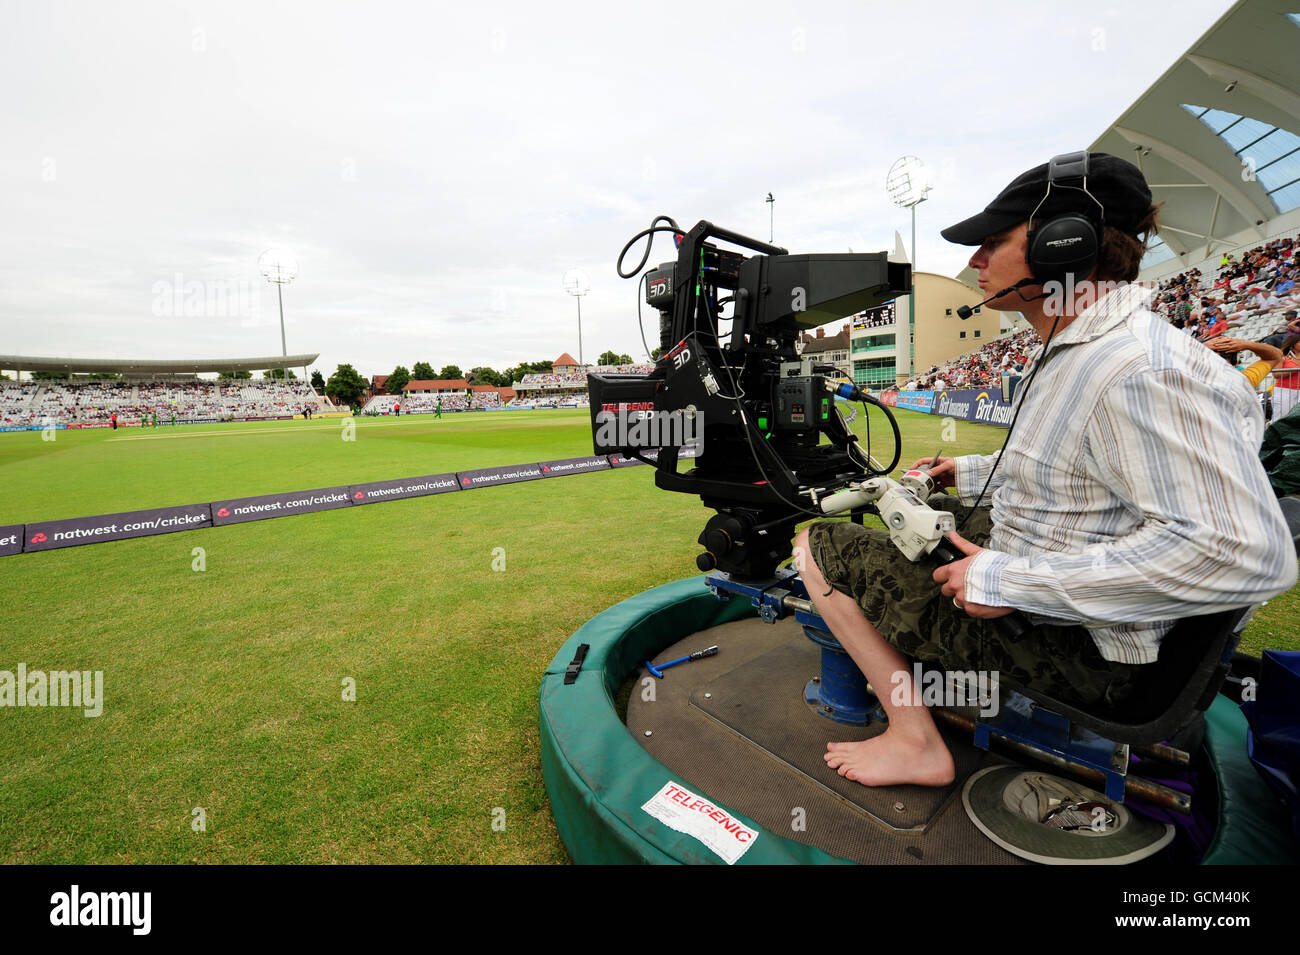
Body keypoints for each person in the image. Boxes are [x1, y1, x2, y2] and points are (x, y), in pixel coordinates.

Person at [794, 152, 1297, 789]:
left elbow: (1243, 554)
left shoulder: (1137, 368)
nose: (976, 260)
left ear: (1065, 246)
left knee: (819, 544)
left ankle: (914, 737)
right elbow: (1077, 469)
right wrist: (969, 471)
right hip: (1088, 610)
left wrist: (1006, 580)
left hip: (1094, 654)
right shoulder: (1090, 349)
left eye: (992, 242)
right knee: (921, 518)